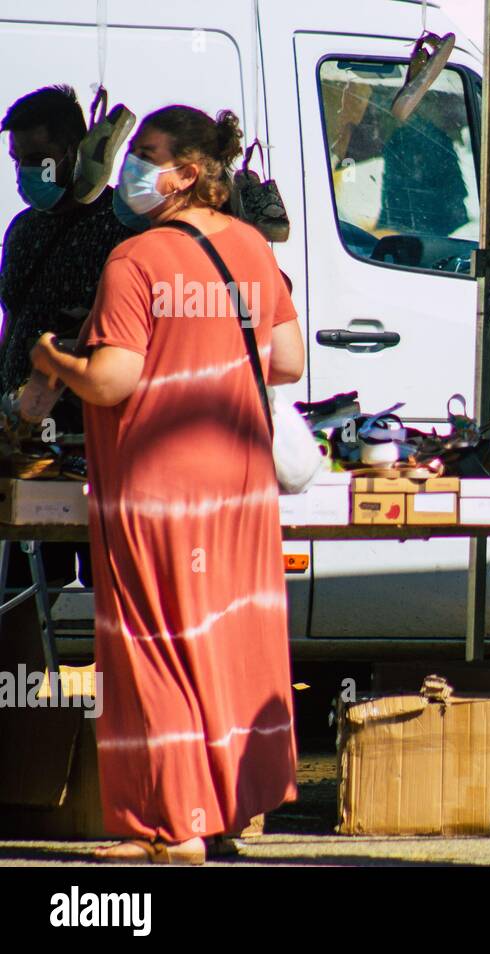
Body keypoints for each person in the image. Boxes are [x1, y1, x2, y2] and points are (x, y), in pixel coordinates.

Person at [30, 105, 304, 863]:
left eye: (147, 154)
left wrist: (53, 361)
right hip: (240, 484)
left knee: (154, 648)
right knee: (227, 643)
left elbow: (110, 382)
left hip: (157, 485)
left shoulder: (136, 259)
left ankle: (174, 826)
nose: (131, 168)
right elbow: (286, 361)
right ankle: (224, 811)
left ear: (187, 173)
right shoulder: (252, 247)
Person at [0, 86, 135, 598]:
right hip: (29, 445)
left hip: (97, 445)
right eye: (17, 160)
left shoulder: (124, 225)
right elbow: (13, 321)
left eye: (37, 158)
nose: (24, 172)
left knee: (115, 588)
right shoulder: (24, 229)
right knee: (20, 592)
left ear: (74, 151)